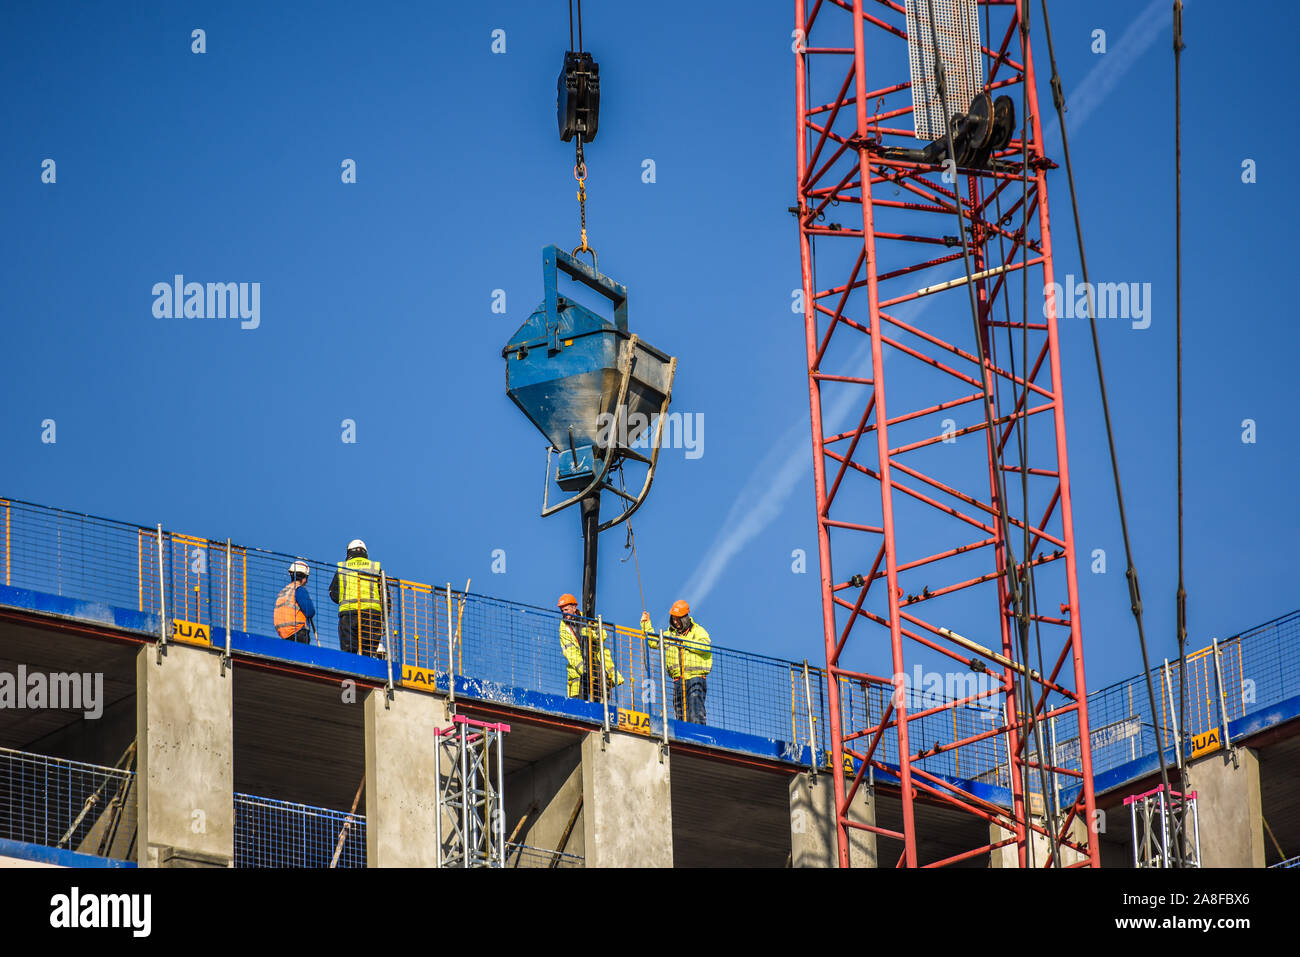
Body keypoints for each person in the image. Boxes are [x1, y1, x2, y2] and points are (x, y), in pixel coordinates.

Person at [641, 599, 711, 724]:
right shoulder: (669, 634)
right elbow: (653, 642)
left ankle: (697, 737)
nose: (675, 622)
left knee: (695, 711)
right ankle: (684, 735)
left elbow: (705, 647)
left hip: (695, 678)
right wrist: (646, 625)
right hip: (678, 680)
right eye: (673, 619)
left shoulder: (698, 631)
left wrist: (683, 643)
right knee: (680, 713)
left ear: (685, 618)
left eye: (678, 619)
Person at [557, 593, 623, 702]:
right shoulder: (564, 628)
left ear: (574, 608)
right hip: (579, 673)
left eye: (566, 610)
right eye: (562, 611)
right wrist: (584, 670)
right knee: (578, 706)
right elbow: (570, 653)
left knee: (601, 701)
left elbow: (603, 635)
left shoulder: (588, 618)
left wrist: (590, 633)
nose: (564, 613)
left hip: (596, 664)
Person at [329, 539, 389, 657]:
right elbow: (385, 597)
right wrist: (384, 619)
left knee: (348, 651)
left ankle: (350, 672)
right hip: (371, 615)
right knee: (369, 652)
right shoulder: (375, 568)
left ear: (349, 553)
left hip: (349, 614)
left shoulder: (342, 568)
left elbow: (334, 594)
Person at [274, 560, 316, 644]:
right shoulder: (299, 589)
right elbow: (310, 611)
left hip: (284, 634)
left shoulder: (283, 592)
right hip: (298, 632)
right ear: (304, 577)